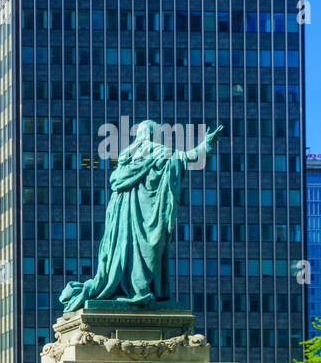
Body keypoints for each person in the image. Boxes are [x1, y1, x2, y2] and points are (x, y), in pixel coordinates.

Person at [60, 120, 221, 311]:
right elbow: (187, 157)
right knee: (143, 252)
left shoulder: (126, 157)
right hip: (140, 217)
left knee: (122, 254)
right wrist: (206, 144)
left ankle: (127, 287)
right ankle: (137, 289)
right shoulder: (158, 152)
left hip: (121, 218)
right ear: (153, 135)